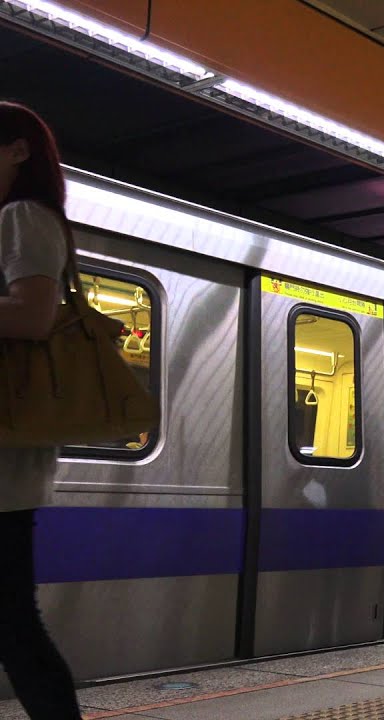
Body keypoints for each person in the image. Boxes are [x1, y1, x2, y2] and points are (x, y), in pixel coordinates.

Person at [0, 101, 85, 718]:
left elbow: (33, 316)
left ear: (17, 149)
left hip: (3, 462)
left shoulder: (24, 215)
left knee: (12, 624)